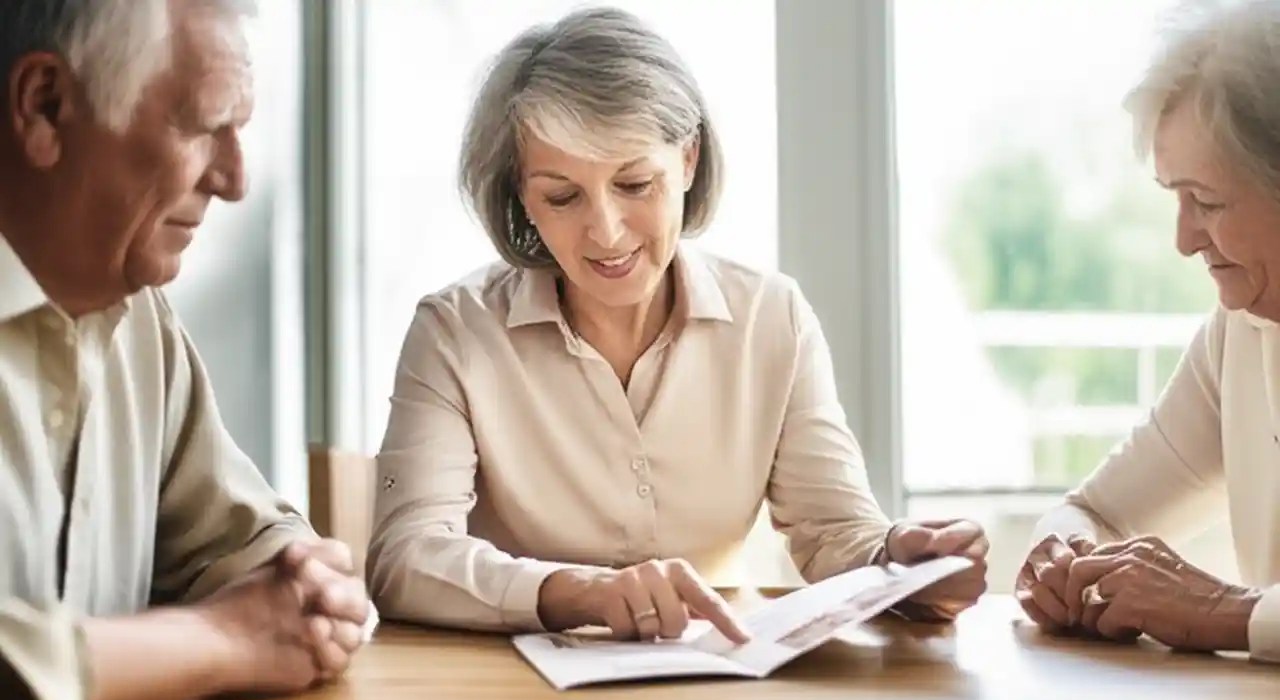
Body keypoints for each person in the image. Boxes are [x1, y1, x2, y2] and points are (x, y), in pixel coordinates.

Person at [368, 7, 988, 644]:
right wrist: (581, 593)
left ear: (688, 160)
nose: (606, 232)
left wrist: (904, 562)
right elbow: (403, 557)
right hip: (500, 680)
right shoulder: (455, 332)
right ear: (522, 196)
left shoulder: (771, 319)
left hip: (709, 671)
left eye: (635, 183)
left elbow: (836, 531)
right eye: (562, 196)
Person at [0, 1, 373, 700]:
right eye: (204, 125)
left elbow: (245, 545)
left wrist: (306, 588)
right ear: (44, 107)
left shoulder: (138, 318)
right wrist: (223, 638)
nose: (234, 180)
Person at [1018, 0, 1280, 662]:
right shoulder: (1240, 333)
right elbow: (1098, 513)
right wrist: (1065, 559)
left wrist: (1224, 611)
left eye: (1207, 202)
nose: (1184, 240)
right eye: (1176, 198)